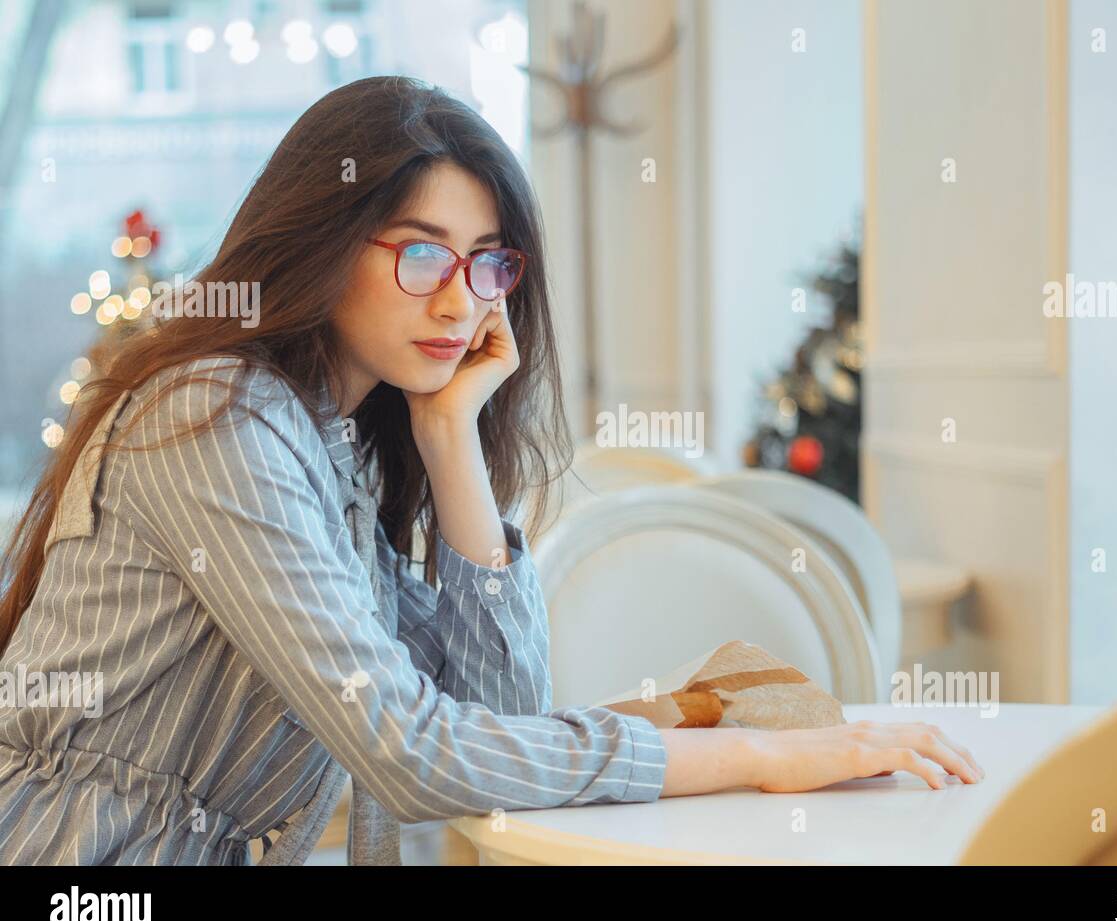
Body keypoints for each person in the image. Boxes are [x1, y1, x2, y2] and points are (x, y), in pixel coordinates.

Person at [0, 76, 982, 865]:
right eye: (423, 255)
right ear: (325, 245)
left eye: (488, 264)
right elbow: (412, 751)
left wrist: (448, 434)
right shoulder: (216, 416)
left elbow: (496, 717)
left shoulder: (337, 440)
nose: (460, 302)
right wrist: (756, 752)